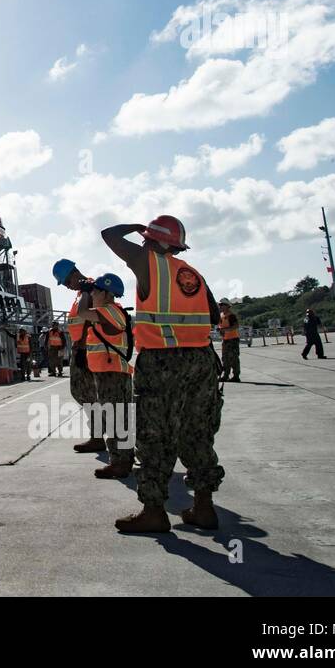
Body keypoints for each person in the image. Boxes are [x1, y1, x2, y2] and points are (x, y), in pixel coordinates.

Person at [103, 215, 224, 533]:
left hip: (162, 362)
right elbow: (212, 315)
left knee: (155, 435)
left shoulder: (149, 262)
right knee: (197, 433)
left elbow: (109, 235)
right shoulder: (193, 275)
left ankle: (154, 512)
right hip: (201, 361)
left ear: (152, 240)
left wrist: (134, 226)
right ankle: (203, 506)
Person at [72, 273, 135, 479]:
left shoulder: (109, 311)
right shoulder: (110, 311)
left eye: (97, 291)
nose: (94, 295)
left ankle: (120, 463)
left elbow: (83, 313)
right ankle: (123, 458)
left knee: (116, 419)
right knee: (118, 418)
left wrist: (84, 292)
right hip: (109, 373)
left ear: (108, 294)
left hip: (112, 375)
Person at [54, 258, 100, 452]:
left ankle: (99, 434)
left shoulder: (89, 289)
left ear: (73, 273)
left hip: (86, 348)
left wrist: (81, 347)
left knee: (86, 392)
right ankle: (98, 434)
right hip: (81, 348)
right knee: (83, 392)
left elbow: (90, 319)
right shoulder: (81, 292)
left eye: (66, 282)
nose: (66, 287)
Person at [218, 299, 241, 382]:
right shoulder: (221, 315)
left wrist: (225, 330)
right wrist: (221, 331)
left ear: (228, 306)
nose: (220, 306)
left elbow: (236, 326)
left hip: (233, 339)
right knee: (225, 358)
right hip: (225, 340)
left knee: (233, 358)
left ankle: (236, 376)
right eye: (220, 305)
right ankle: (226, 375)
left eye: (222, 304)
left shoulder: (231, 315)